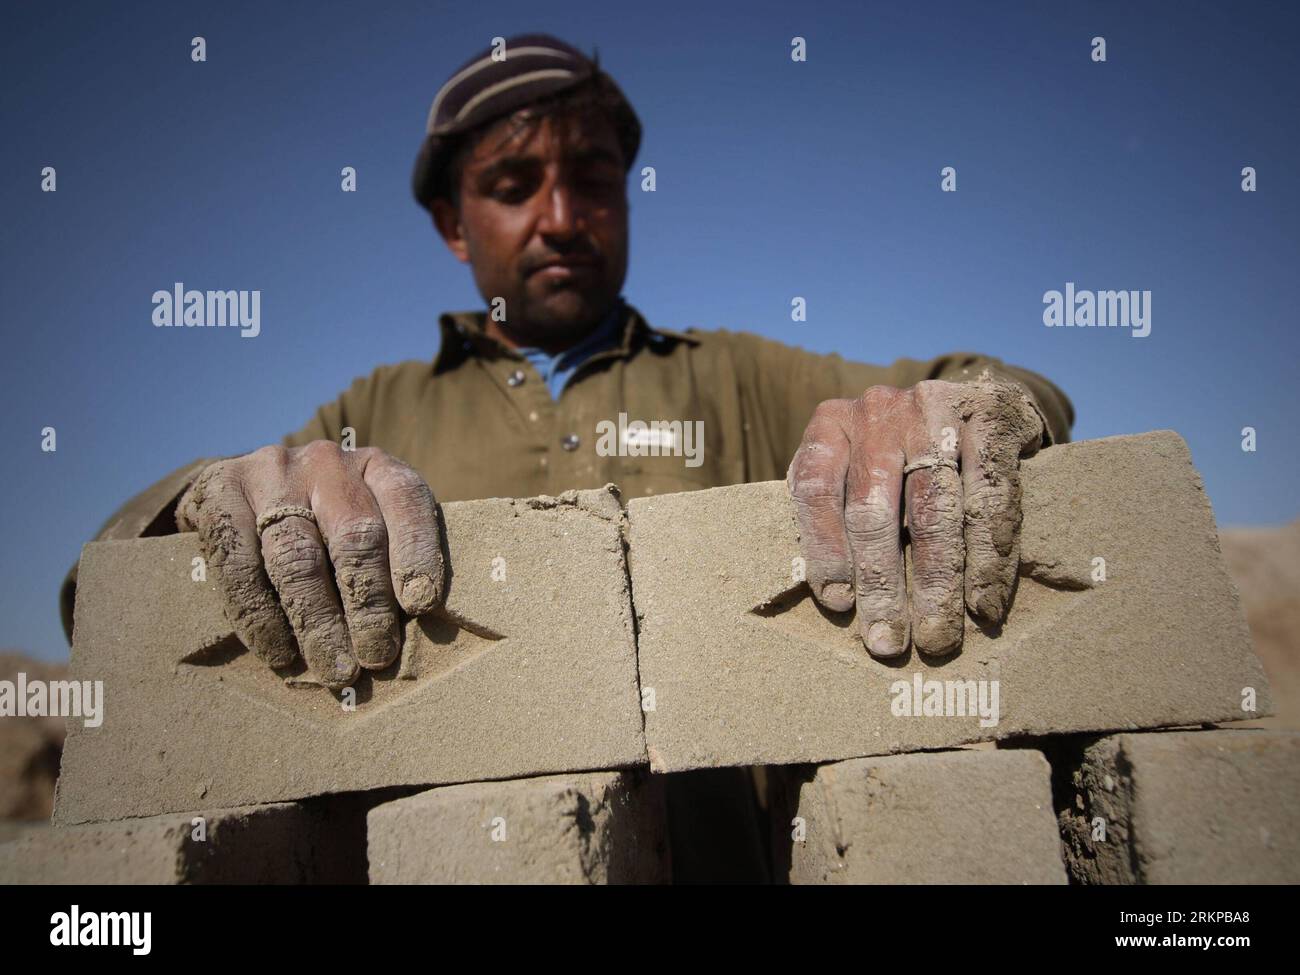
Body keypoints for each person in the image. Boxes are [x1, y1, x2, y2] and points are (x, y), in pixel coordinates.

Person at [63, 33, 1072, 695]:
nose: (560, 217)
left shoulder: (733, 379)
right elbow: (93, 600)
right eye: (513, 184)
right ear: (453, 226)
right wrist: (208, 497)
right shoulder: (374, 410)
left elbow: (1007, 383)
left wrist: (951, 411)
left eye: (593, 179)